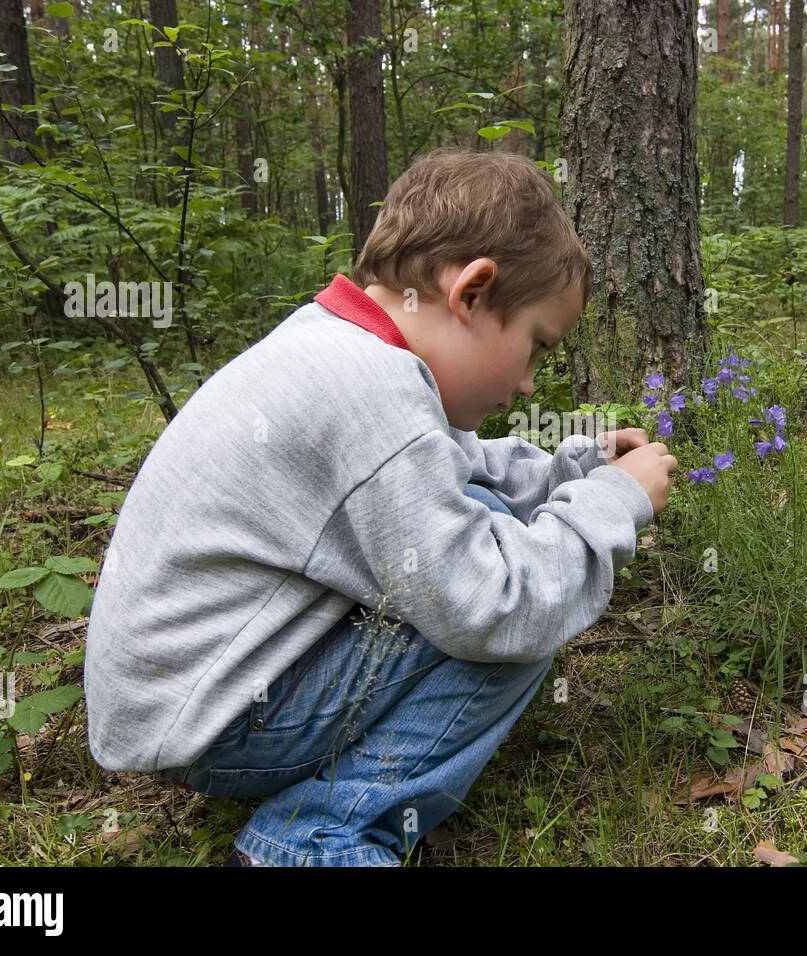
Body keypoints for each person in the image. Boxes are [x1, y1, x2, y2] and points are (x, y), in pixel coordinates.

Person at [83, 146, 678, 866]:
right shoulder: (370, 390)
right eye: (536, 347)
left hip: (194, 698)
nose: (526, 383)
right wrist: (608, 508)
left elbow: (456, 468)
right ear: (471, 294)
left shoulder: (337, 347)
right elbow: (495, 604)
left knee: (492, 527)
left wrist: (574, 472)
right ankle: (315, 839)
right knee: (518, 601)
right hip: (219, 720)